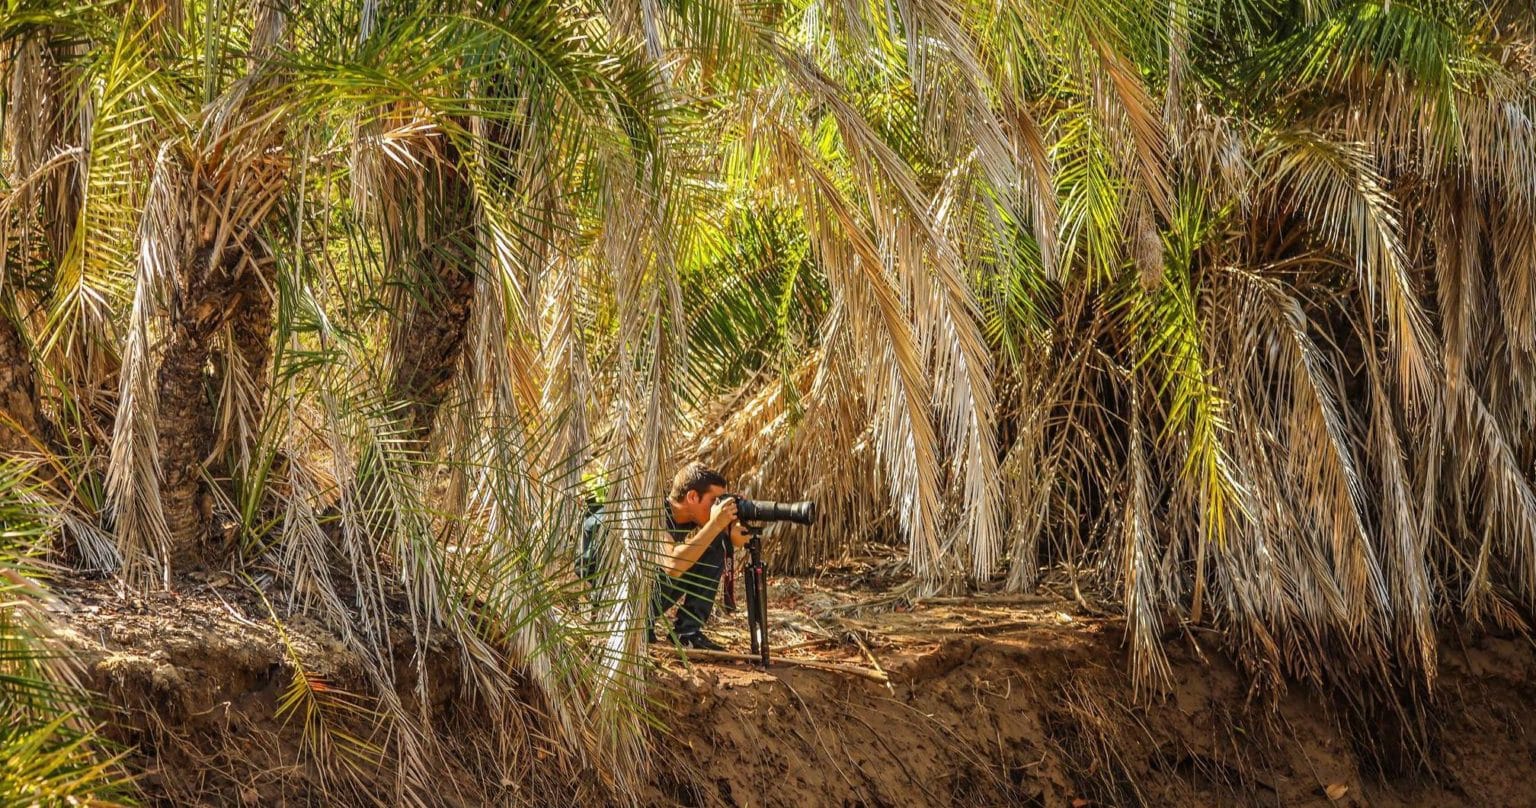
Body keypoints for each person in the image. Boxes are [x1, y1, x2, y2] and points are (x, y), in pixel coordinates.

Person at [646, 461, 750, 650]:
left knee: (717, 542)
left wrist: (735, 523)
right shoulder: (652, 513)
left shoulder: (691, 517)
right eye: (714, 501)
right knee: (703, 542)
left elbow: (734, 540)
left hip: (647, 598)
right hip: (624, 605)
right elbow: (672, 565)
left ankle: (687, 633)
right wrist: (716, 523)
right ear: (693, 496)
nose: (717, 507)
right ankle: (642, 624)